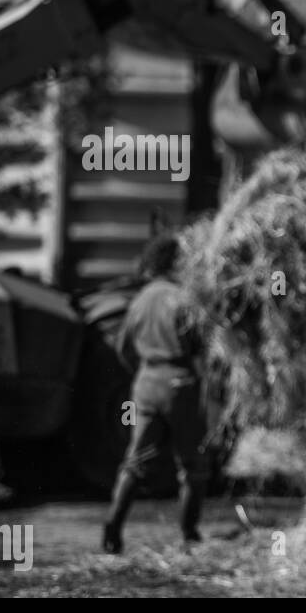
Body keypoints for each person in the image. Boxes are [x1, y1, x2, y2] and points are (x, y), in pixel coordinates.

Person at [102, 233, 208, 554]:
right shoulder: (182, 298)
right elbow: (198, 344)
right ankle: (189, 534)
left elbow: (122, 347)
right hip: (180, 383)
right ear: (175, 263)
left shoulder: (140, 299)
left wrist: (144, 371)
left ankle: (112, 527)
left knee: (136, 461)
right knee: (193, 465)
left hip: (146, 383)